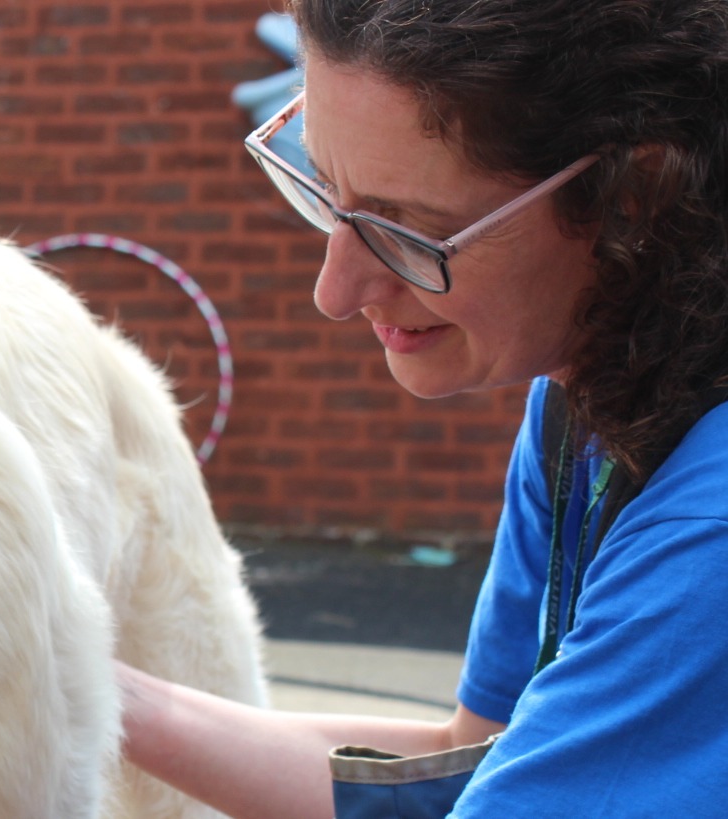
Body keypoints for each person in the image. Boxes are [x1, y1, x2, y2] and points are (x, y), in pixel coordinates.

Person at [118, 1, 728, 816]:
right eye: (324, 191)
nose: (335, 291)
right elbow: (473, 756)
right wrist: (73, 675)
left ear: (632, 197)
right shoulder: (585, 397)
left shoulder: (706, 528)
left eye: (408, 230)